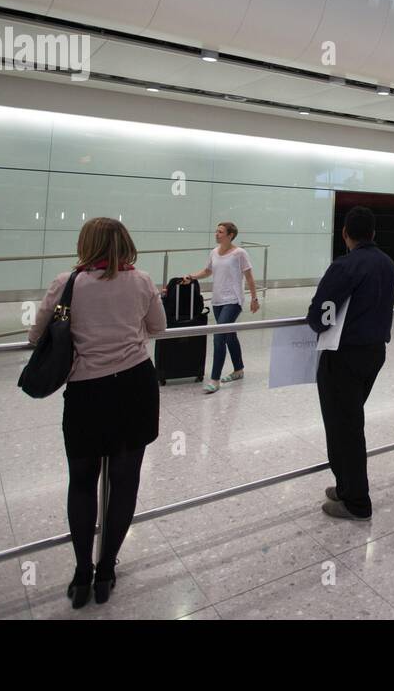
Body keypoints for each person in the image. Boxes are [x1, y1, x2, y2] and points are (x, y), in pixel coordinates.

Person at [28, 217, 166, 609]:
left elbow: (36, 335)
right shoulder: (141, 280)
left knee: (83, 482)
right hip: (136, 387)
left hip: (87, 392)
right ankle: (107, 569)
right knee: (124, 482)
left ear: (85, 244)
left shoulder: (68, 283)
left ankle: (81, 571)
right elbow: (159, 327)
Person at [306, 206, 394, 520]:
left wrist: (316, 320)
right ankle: (346, 486)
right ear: (373, 233)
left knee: (343, 427)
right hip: (374, 352)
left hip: (343, 356)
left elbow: (322, 315)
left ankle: (357, 501)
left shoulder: (345, 266)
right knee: (349, 421)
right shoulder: (388, 265)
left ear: (346, 234)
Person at [180, 221, 259, 394]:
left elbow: (250, 277)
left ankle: (215, 379)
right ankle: (238, 370)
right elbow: (208, 271)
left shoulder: (240, 253)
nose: (216, 234)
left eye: (220, 232)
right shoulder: (214, 252)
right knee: (229, 336)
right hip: (217, 301)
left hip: (233, 301)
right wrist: (192, 277)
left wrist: (254, 298)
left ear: (230, 235)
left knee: (219, 337)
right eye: (216, 231)